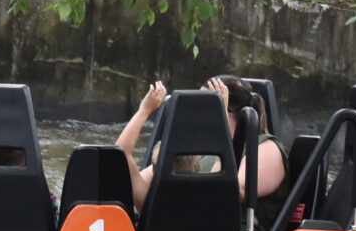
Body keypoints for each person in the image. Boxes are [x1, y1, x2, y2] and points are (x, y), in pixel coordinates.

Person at [117, 77, 288, 206]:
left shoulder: (265, 148)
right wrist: (144, 110)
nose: (195, 112)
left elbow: (226, 192)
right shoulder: (193, 150)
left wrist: (218, 117)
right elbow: (122, 162)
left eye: (204, 104)